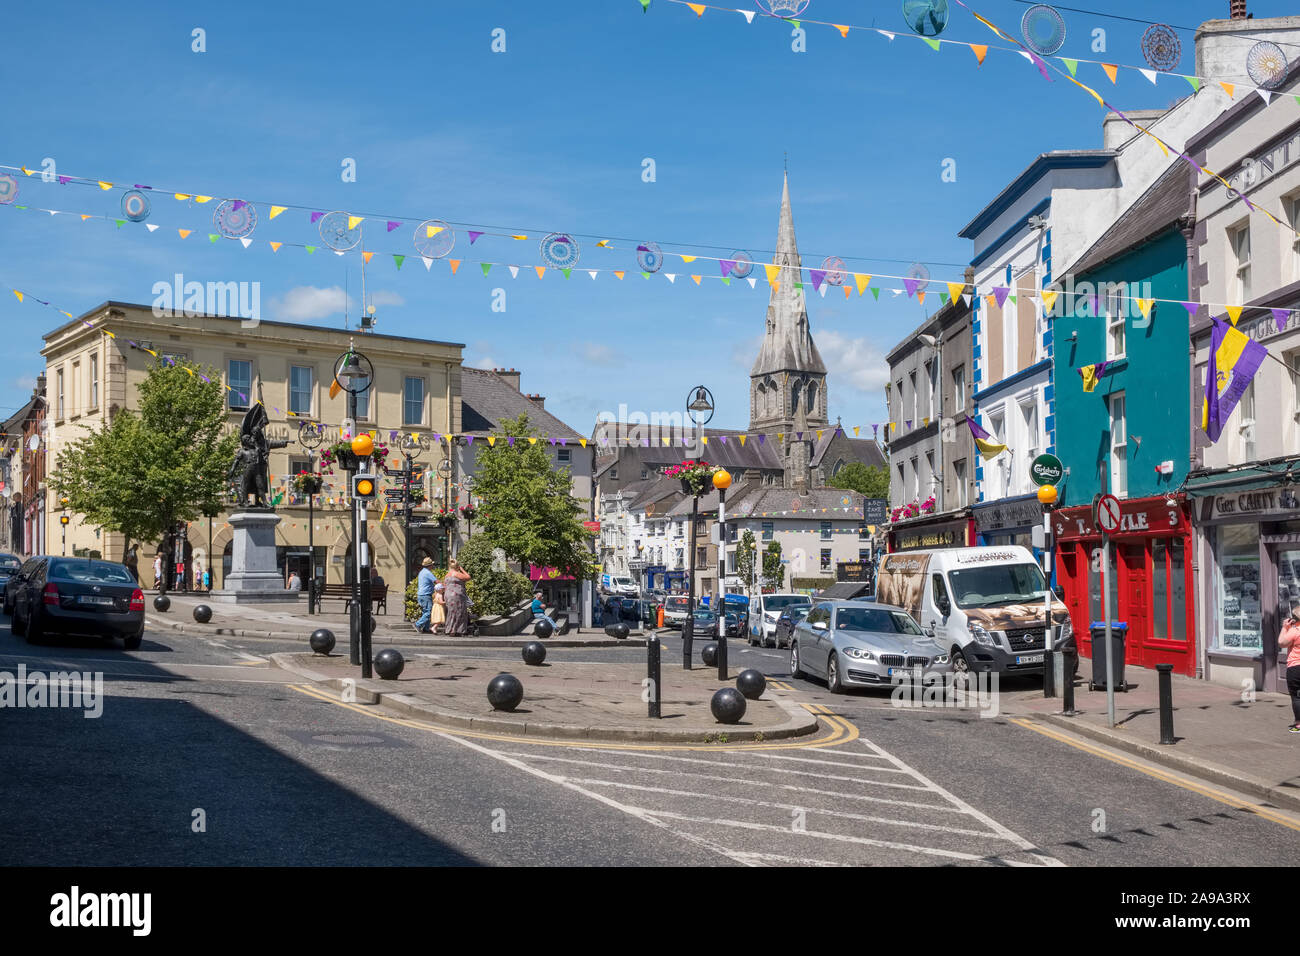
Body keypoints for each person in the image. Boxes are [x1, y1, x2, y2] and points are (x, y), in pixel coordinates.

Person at [1281, 603, 1300, 733]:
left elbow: (1281, 642)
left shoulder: (1294, 631)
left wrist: (1284, 628)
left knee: (1297, 696)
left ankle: (1298, 724)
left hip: (1295, 667)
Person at [442, 558, 472, 636]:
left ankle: (449, 629)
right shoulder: (456, 574)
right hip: (457, 595)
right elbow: (468, 577)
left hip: (448, 595)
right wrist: (462, 569)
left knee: (451, 612)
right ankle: (458, 630)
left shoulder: (447, 575)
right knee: (459, 612)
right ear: (457, 566)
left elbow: (444, 585)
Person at [413, 557, 438, 634]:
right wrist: (445, 584)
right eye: (432, 565)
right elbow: (436, 581)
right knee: (429, 612)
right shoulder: (428, 573)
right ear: (430, 565)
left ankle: (426, 628)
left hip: (421, 594)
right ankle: (417, 624)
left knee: (425, 611)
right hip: (425, 595)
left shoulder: (422, 572)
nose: (433, 566)